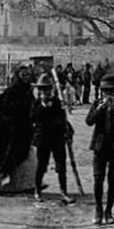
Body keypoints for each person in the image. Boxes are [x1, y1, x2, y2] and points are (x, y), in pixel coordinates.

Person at [86, 73, 114, 225]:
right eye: (106, 91)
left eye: (111, 91)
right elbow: (89, 121)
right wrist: (100, 109)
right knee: (98, 179)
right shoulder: (97, 103)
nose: (108, 94)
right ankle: (98, 209)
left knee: (113, 179)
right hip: (100, 146)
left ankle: (109, 211)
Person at [32, 73, 73, 204]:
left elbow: (62, 119)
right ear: (39, 91)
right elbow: (34, 118)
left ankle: (64, 192)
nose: (46, 92)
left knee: (61, 166)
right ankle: (37, 190)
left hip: (57, 139)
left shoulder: (57, 103)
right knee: (41, 166)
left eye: (48, 89)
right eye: (43, 89)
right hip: (43, 139)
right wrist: (44, 106)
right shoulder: (36, 104)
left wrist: (68, 132)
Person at [0, 63, 36, 188]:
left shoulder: (28, 90)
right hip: (14, 127)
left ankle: (23, 183)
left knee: (24, 154)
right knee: (12, 154)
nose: (25, 78)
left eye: (27, 75)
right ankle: (6, 179)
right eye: (23, 75)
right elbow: (3, 108)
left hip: (25, 127)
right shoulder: (12, 90)